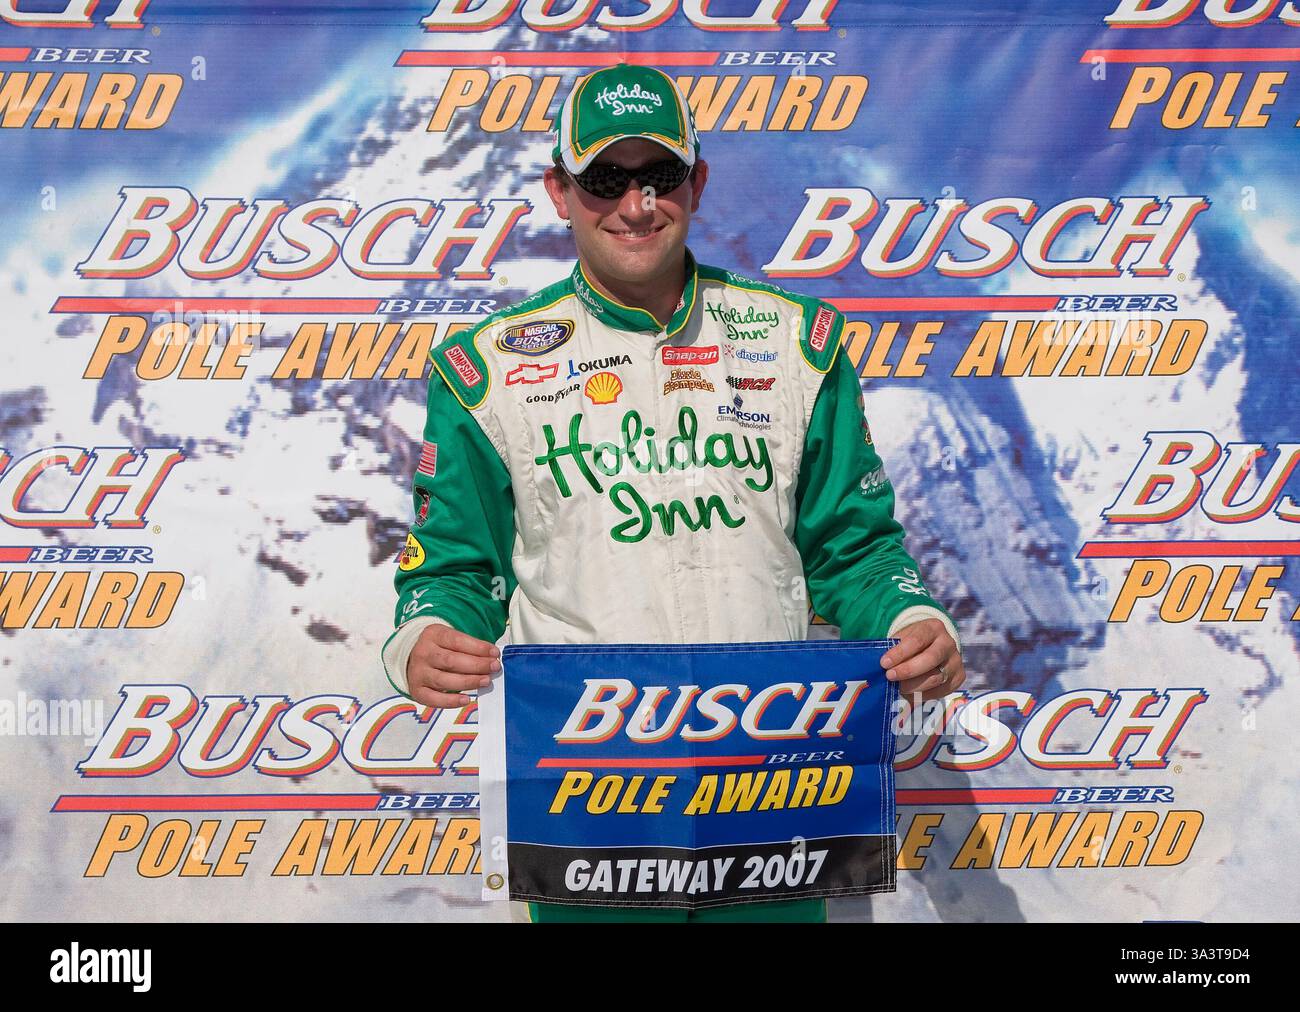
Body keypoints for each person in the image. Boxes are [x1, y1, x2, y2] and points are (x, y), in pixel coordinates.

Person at [382, 64, 964, 923]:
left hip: (771, 794)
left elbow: (857, 549)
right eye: (603, 179)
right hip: (584, 800)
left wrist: (916, 622)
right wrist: (426, 636)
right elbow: (454, 569)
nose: (635, 205)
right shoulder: (488, 368)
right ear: (559, 189)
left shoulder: (799, 345)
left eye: (658, 176)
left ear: (696, 182)